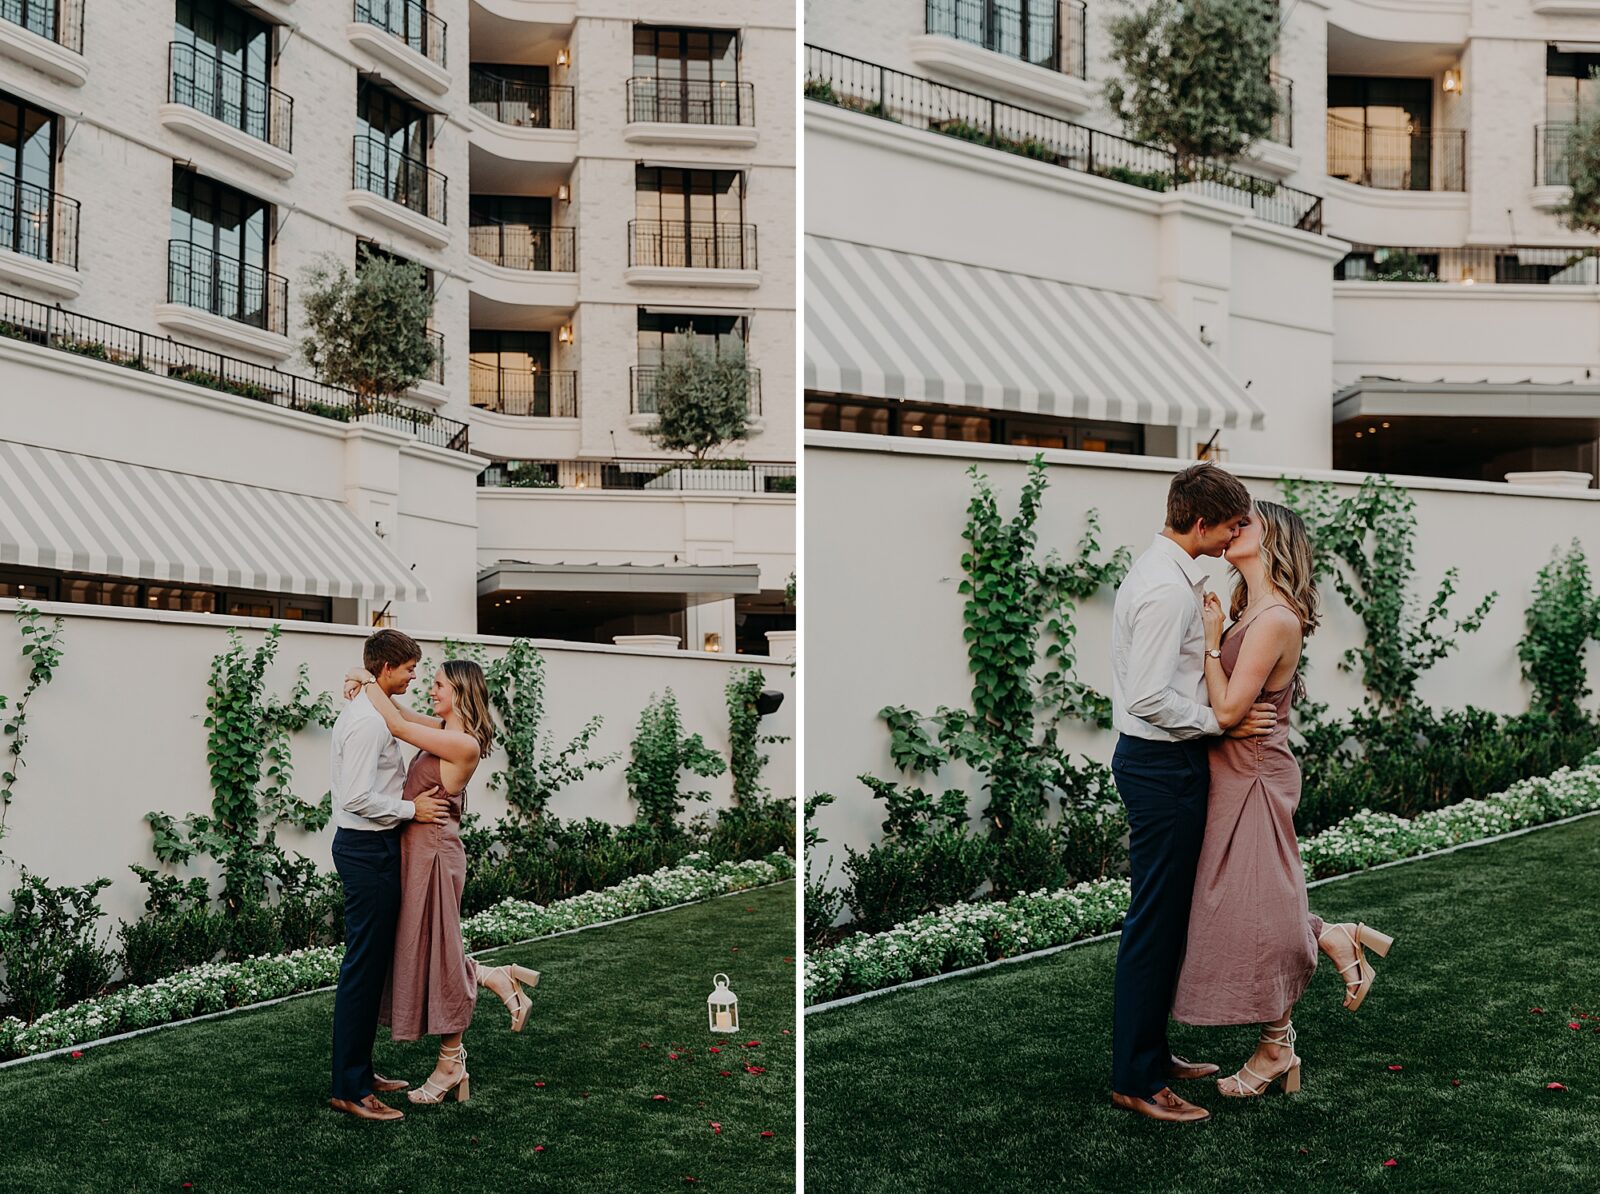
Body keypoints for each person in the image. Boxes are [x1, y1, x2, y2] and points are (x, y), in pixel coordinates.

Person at [1172, 501, 1395, 1097]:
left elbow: (1225, 711)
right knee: (1247, 900)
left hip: (1252, 774)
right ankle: (1326, 942)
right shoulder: (1252, 608)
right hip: (1232, 769)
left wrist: (1213, 642)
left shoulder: (1275, 619)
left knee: (1249, 901)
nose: (1229, 528)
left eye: (1243, 522)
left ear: (1273, 540)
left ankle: (1277, 1044)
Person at [1107, 462, 1279, 1125]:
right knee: (1153, 923)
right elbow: (1149, 696)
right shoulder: (1167, 591)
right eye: (1233, 523)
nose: (1240, 533)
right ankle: (1136, 1080)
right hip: (1162, 766)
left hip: (1164, 764)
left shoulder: (1169, 577)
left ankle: (1151, 1052)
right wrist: (1221, 720)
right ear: (1202, 523)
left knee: (1168, 920)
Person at [348, 657, 542, 1107]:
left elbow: (395, 724)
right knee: (426, 949)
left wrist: (364, 678)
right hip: (418, 851)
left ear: (458, 690)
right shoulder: (442, 729)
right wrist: (371, 686)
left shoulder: (464, 745)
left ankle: (451, 1061)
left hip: (434, 856)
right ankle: (492, 977)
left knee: (437, 949)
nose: (429, 690)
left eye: (436, 684)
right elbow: (400, 716)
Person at [327, 629, 447, 1123]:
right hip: (366, 850)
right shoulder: (367, 724)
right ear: (387, 670)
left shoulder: (377, 712)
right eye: (409, 669)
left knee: (371, 969)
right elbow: (356, 797)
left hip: (374, 847)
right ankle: (350, 1089)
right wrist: (410, 809)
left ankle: (360, 1070)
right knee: (361, 970)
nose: (415, 676)